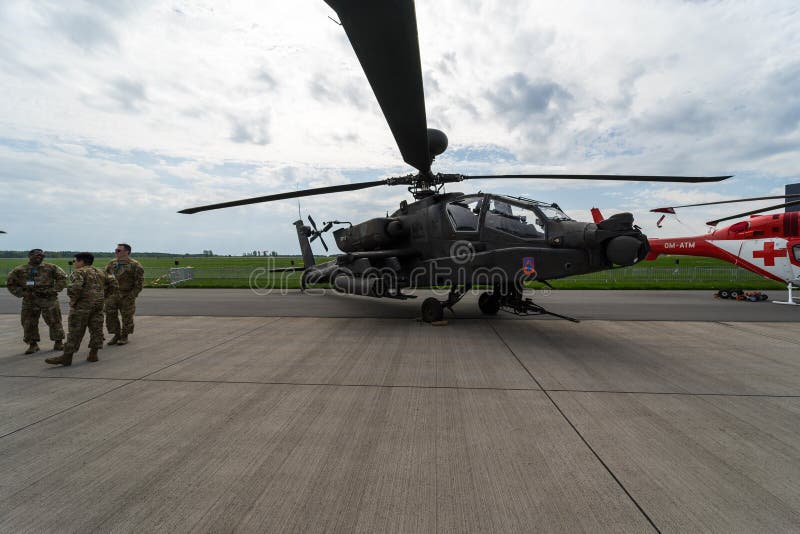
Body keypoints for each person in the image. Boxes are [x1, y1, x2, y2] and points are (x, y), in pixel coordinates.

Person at [46, 252, 116, 366]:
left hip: (82, 306)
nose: (74, 263)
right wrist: (103, 296)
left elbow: (75, 288)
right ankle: (93, 354)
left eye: (75, 261)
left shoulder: (79, 272)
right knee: (96, 329)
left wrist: (73, 301)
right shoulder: (101, 271)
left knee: (75, 330)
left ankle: (67, 357)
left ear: (81, 261)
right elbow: (114, 285)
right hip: (98, 305)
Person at [5, 249, 67, 354]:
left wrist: (54, 290)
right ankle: (32, 345)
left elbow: (62, 278)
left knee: (54, 320)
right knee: (28, 323)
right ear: (29, 256)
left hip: (48, 299)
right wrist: (22, 293)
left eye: (41, 255)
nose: (39, 257)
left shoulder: (51, 267)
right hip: (30, 299)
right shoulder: (19, 270)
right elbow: (11, 283)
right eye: (37, 255)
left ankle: (58, 342)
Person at [104, 243, 144, 345]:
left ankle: (124, 336)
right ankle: (116, 335)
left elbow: (139, 283)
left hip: (127, 294)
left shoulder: (135, 265)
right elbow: (105, 278)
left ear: (127, 252)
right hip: (113, 294)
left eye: (118, 250)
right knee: (110, 314)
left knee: (127, 316)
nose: (116, 252)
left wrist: (132, 296)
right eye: (116, 250)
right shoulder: (112, 263)